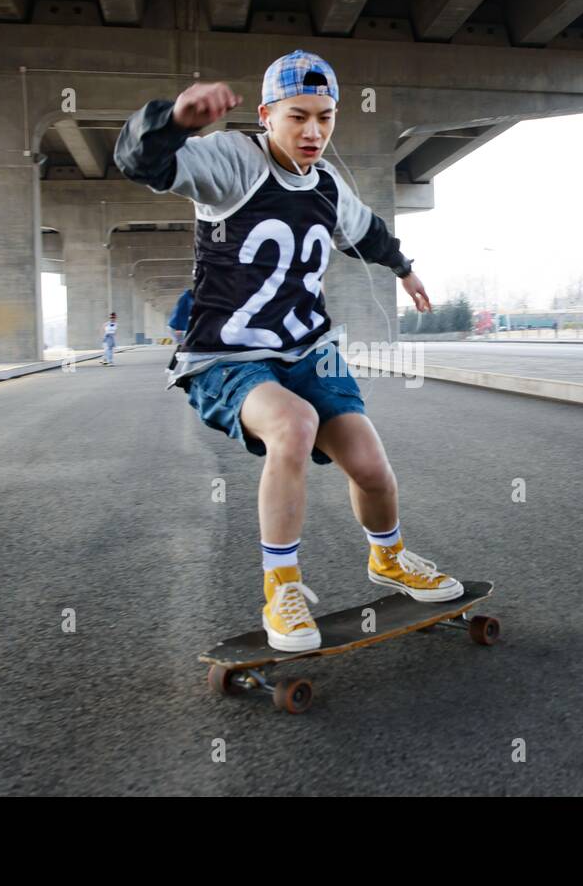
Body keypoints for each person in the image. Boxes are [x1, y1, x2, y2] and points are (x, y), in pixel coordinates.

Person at [114, 49, 462, 652]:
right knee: (294, 425)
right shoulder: (231, 161)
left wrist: (405, 270)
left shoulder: (326, 185)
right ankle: (281, 587)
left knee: (372, 467)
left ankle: (391, 558)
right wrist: (173, 120)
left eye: (325, 118)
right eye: (298, 116)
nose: (313, 132)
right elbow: (142, 160)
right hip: (228, 355)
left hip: (309, 349)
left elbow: (369, 232)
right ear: (266, 114)